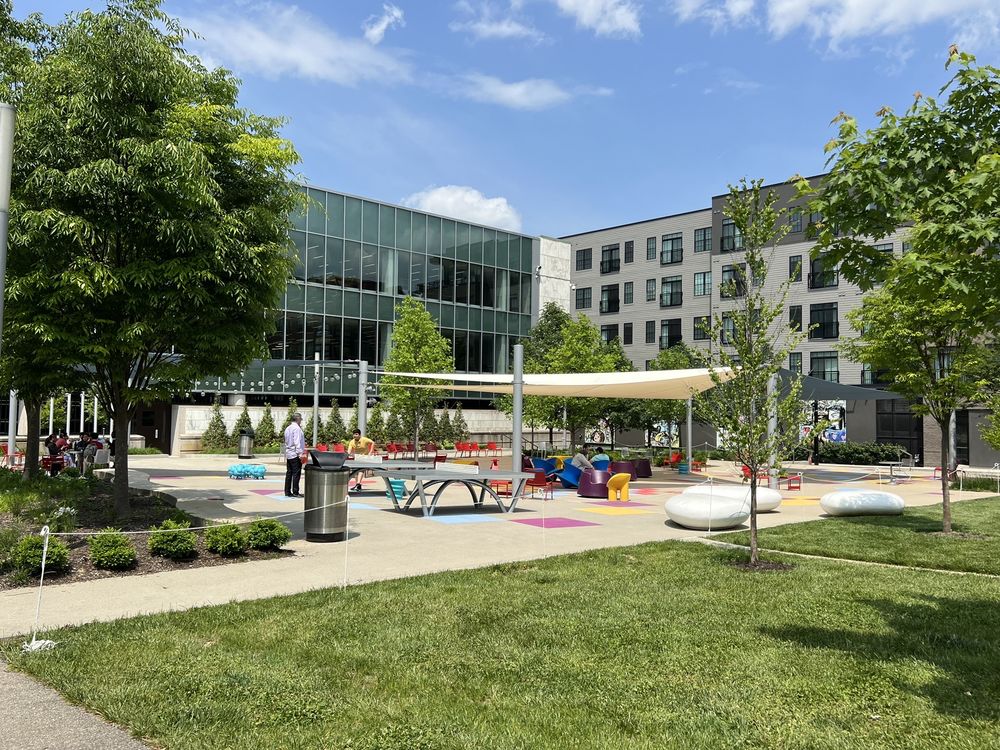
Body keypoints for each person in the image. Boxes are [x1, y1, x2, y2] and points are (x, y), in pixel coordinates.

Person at [283, 412, 305, 498]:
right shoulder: (297, 429)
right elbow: (297, 442)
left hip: (289, 452)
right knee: (296, 473)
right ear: (298, 419)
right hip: (295, 453)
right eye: (300, 419)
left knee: (289, 472)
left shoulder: (288, 428)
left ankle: (287, 491)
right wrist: (300, 453)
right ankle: (295, 491)